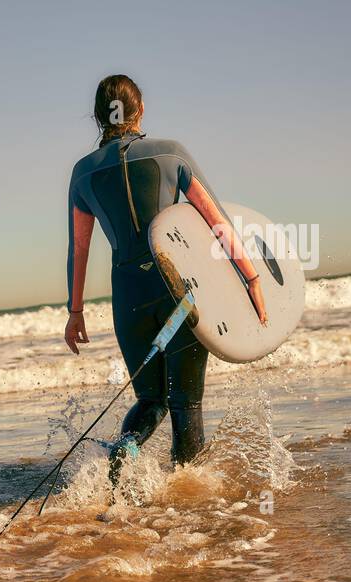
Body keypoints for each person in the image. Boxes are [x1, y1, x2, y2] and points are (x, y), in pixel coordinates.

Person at [63, 75, 267, 487]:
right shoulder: (171, 154)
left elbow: (79, 249)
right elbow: (218, 224)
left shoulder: (82, 173)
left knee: (150, 399)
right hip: (177, 289)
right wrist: (253, 279)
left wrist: (76, 311)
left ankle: (125, 456)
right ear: (139, 111)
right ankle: (186, 502)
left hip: (128, 299)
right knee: (185, 403)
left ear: (99, 117)